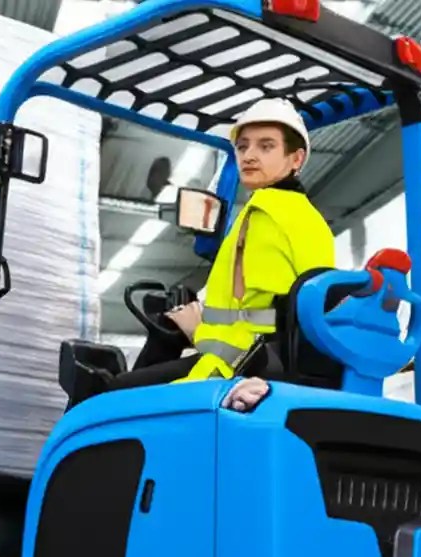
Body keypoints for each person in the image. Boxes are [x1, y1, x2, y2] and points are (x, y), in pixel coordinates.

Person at [92, 97, 336, 411]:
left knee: (110, 397)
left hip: (238, 366)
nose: (249, 155)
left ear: (296, 159)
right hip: (249, 360)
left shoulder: (269, 213)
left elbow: (259, 324)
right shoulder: (298, 216)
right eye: (244, 146)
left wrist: (197, 330)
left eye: (265, 146)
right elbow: (258, 310)